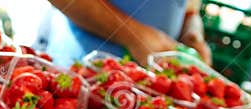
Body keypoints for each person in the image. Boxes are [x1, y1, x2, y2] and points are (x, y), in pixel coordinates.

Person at [45, 0, 213, 67]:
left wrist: (193, 34)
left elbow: (189, 8)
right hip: (83, 66)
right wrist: (134, 36)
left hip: (150, 89)